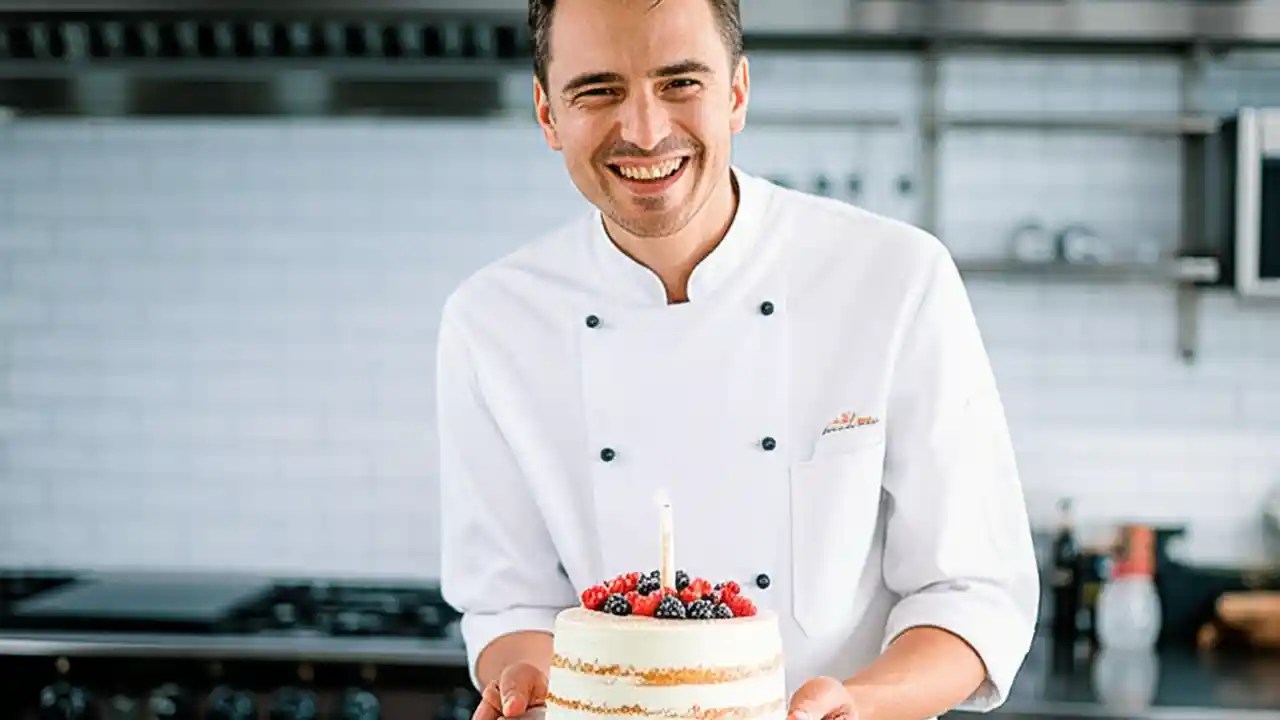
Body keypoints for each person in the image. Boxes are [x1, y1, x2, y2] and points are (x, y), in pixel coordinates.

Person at [437, 0, 1040, 718]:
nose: (644, 131)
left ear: (737, 93)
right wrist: (530, 685)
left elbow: (971, 591)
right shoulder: (493, 322)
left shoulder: (894, 277)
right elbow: (511, 604)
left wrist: (859, 705)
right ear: (547, 113)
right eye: (597, 91)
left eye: (680, 83)